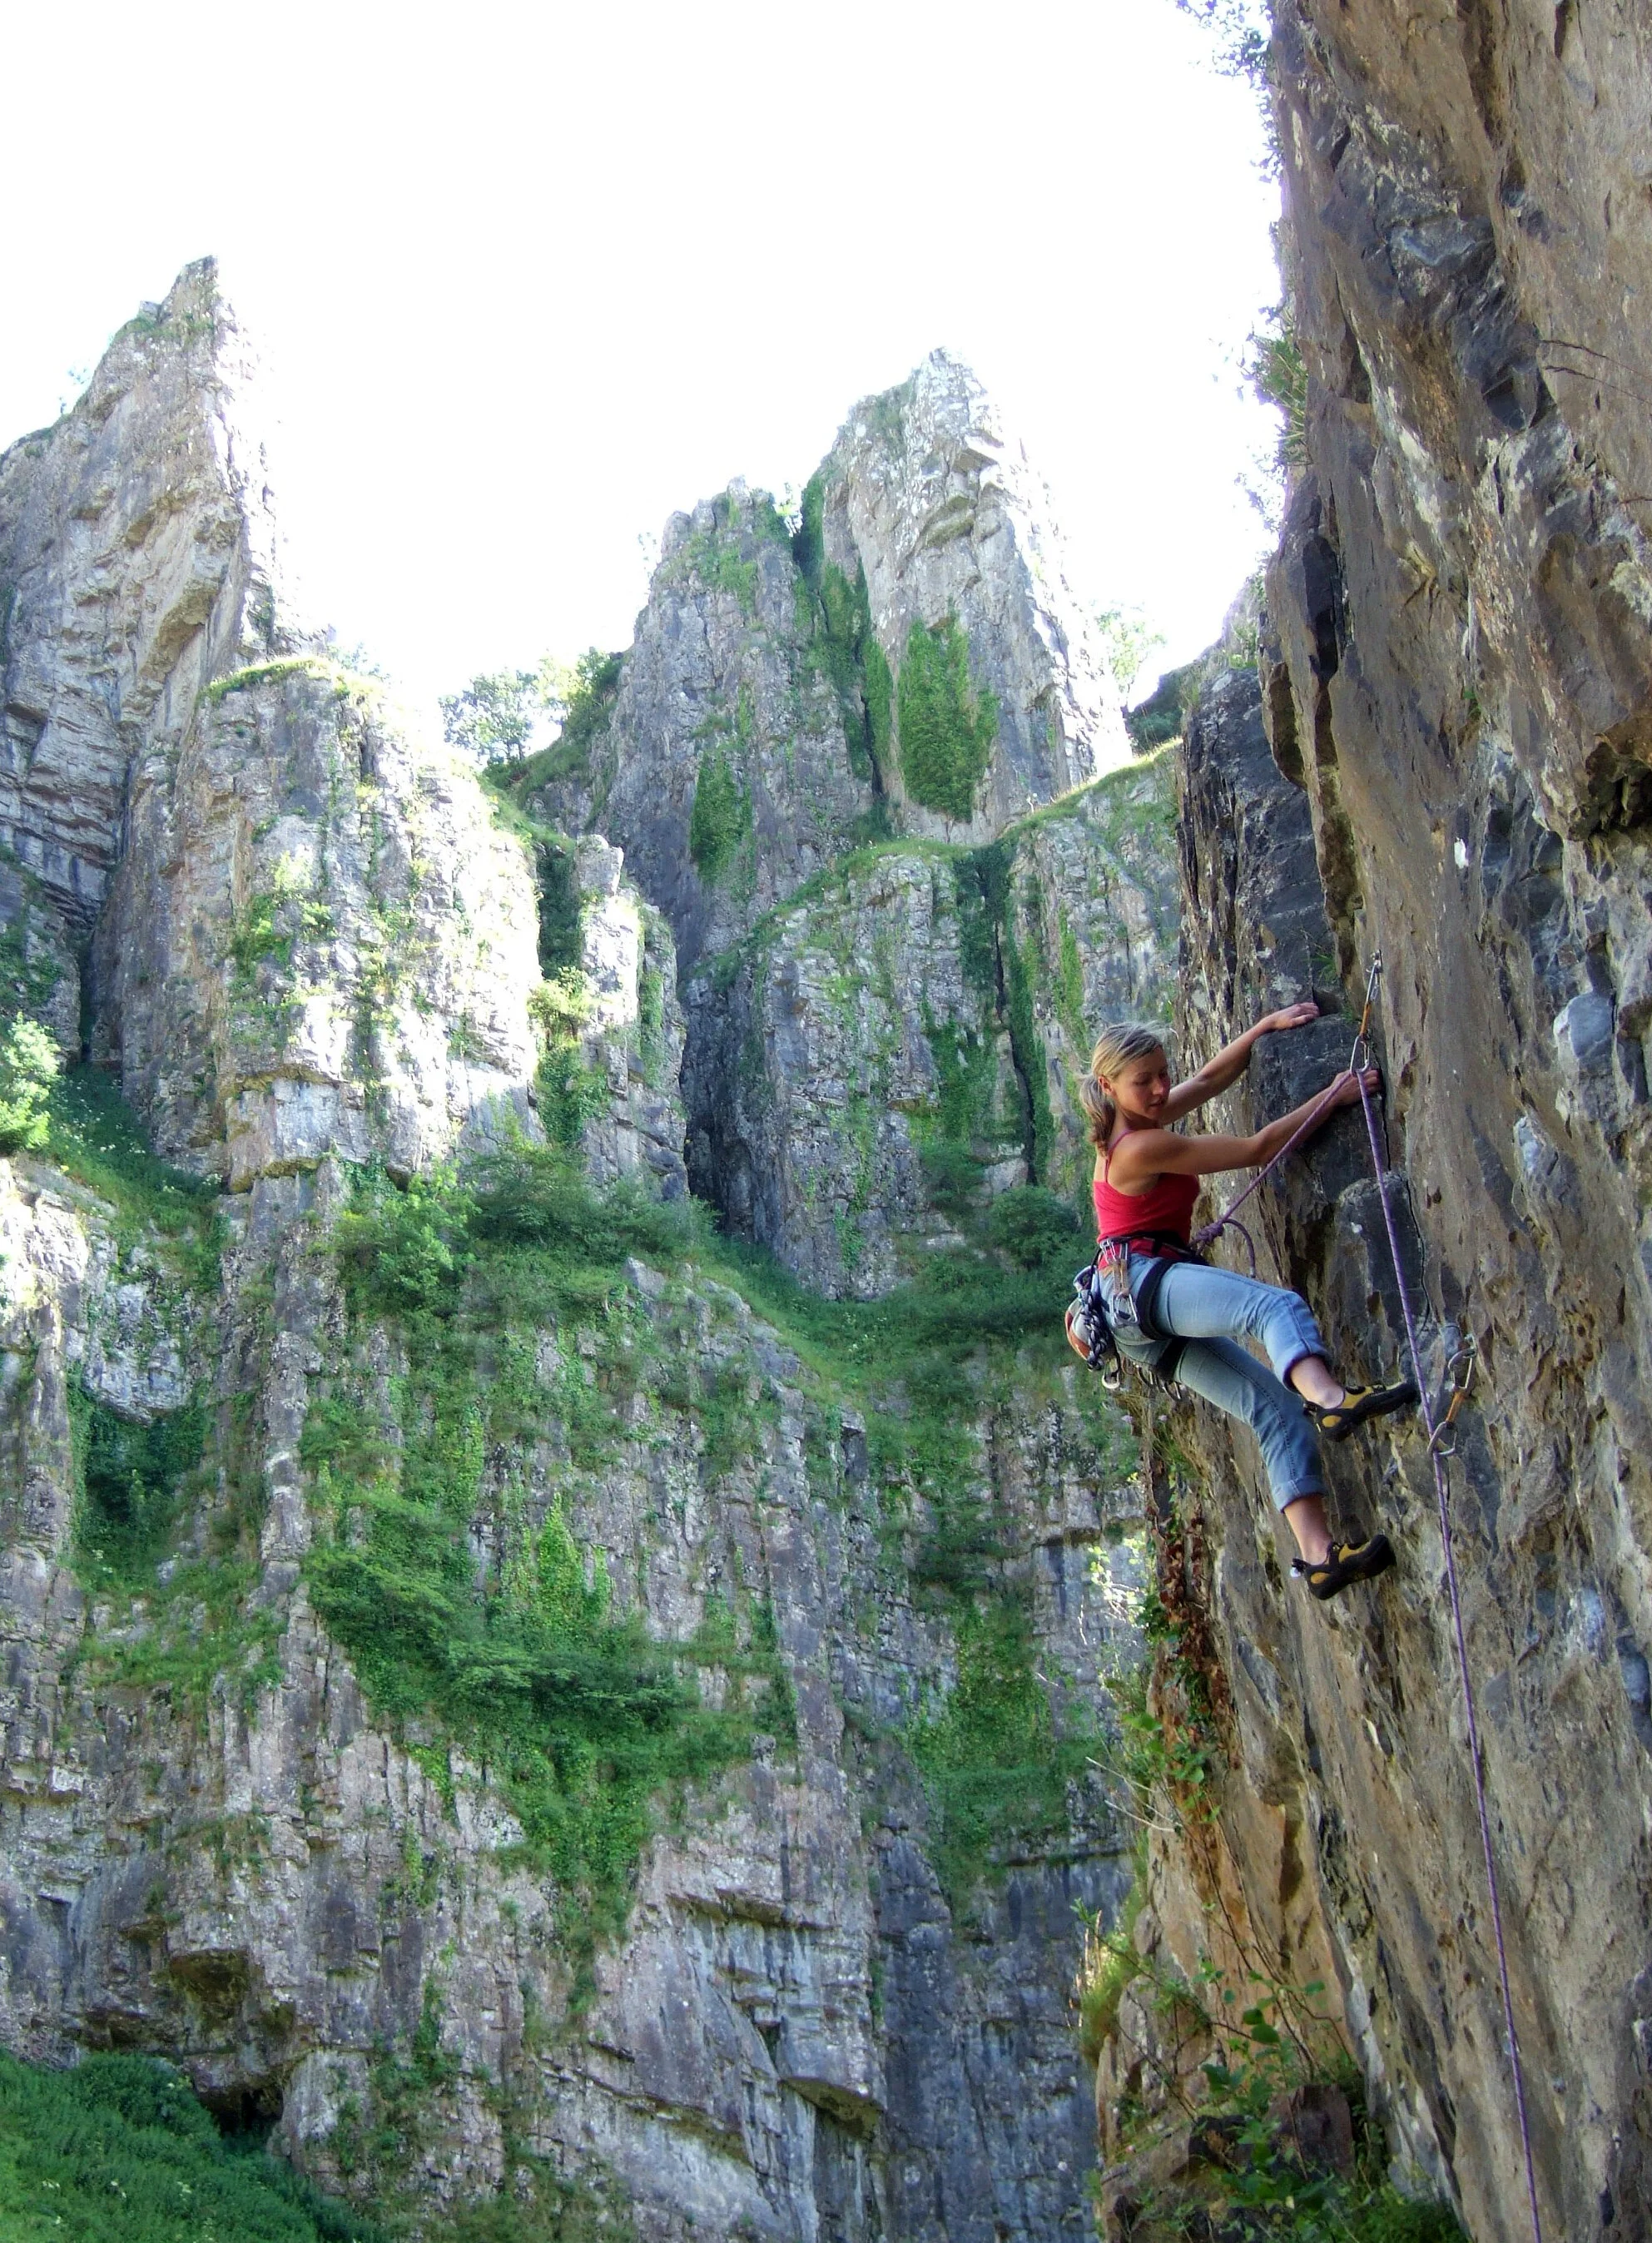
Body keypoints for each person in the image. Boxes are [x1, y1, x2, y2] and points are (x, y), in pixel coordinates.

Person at [1069, 1010, 1415, 1602]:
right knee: (1273, 1309)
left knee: (1271, 1407)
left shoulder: (1130, 1126)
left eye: (1160, 1074)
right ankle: (1330, 1399)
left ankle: (1319, 1557)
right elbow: (1256, 1147)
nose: (1158, 1089)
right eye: (1143, 1081)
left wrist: (1262, 1029)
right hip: (1147, 1281)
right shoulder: (1140, 1145)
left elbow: (1203, 1082)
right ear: (1108, 1086)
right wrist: (1334, 1094)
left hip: (1129, 1310)